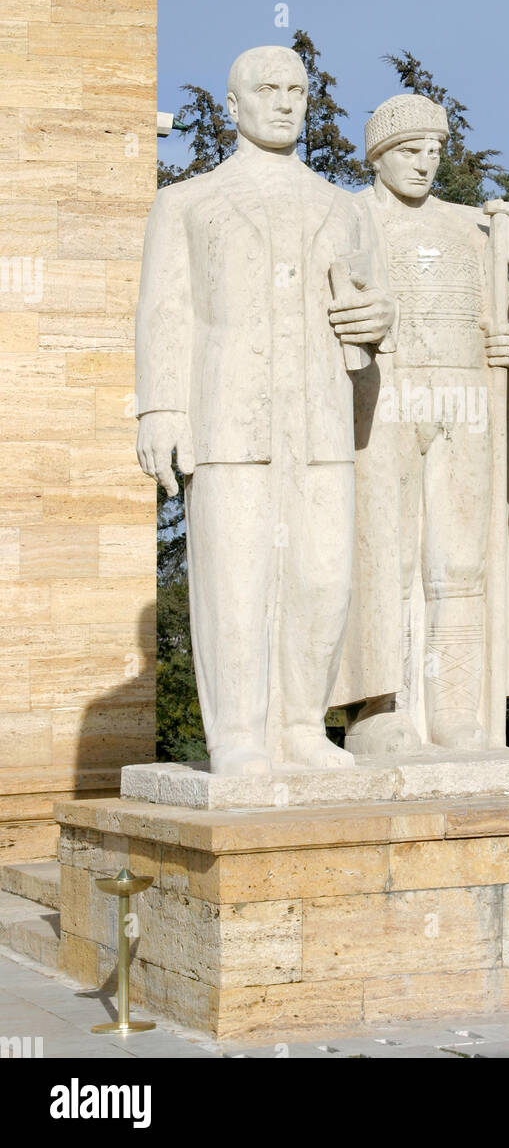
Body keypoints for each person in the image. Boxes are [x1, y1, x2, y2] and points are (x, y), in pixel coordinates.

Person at [135, 46, 396, 775]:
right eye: (267, 89)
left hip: (320, 415)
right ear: (232, 106)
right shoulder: (186, 203)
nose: (284, 101)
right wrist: (160, 409)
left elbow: (372, 309)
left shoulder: (343, 207)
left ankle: (301, 725)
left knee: (320, 575)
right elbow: (165, 310)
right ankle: (241, 735)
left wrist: (380, 320)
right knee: (236, 577)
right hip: (229, 416)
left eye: (296, 89)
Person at [332, 94, 509, 754]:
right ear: (378, 155)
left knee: (459, 563)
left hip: (463, 402)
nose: (424, 163)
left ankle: (455, 709)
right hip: (385, 398)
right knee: (382, 558)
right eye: (408, 150)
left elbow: (504, 325)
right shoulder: (348, 219)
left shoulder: (471, 229)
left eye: (434, 151)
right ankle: (378, 709)